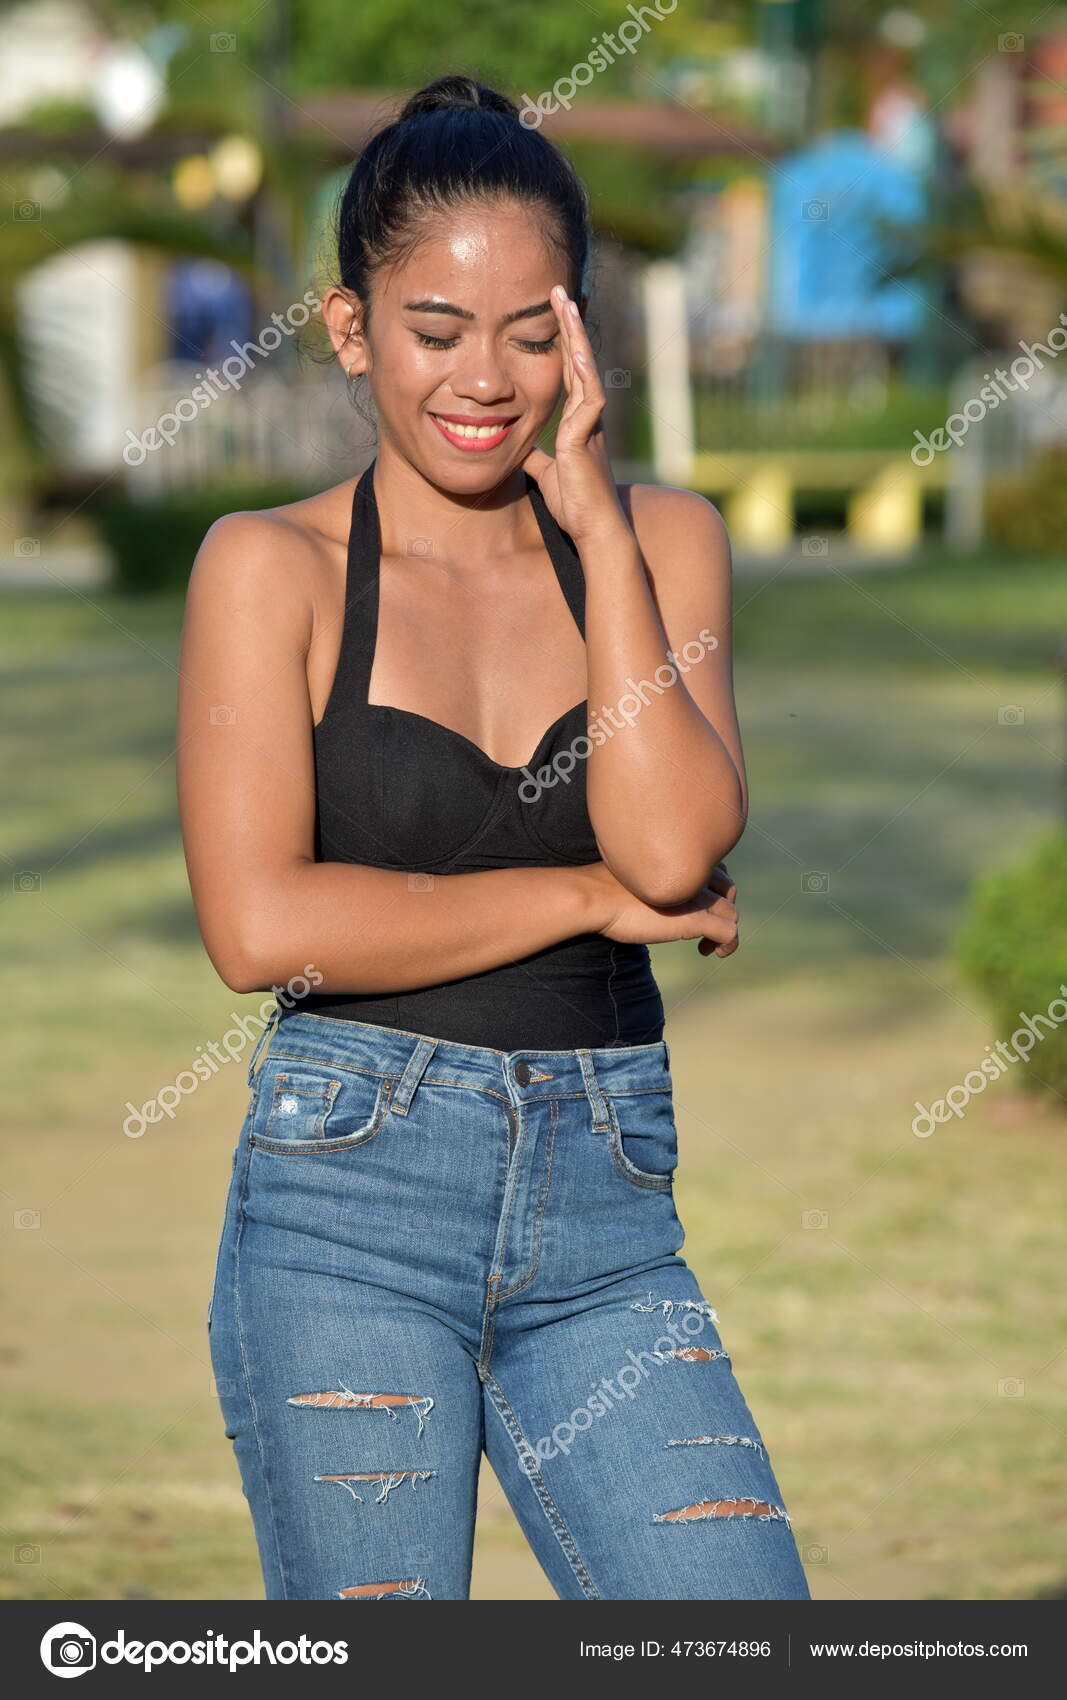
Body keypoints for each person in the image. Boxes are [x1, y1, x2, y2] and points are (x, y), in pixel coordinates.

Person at [177, 74, 811, 1603]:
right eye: (436, 330)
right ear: (349, 329)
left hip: (606, 1214)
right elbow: (263, 928)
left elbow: (678, 853)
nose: (488, 378)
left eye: (536, 331)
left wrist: (594, 523)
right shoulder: (269, 569)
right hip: (347, 1217)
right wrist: (582, 891)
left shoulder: (659, 544)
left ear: (584, 333)